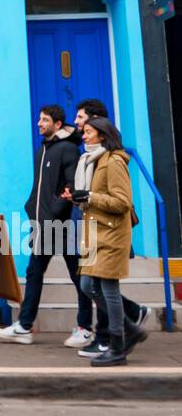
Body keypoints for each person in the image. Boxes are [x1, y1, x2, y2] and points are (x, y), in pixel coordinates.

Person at [0, 104, 82, 345]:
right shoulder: (42, 149)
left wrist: (56, 209)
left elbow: (73, 186)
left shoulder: (69, 149)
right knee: (34, 272)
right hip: (43, 224)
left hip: (63, 225)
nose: (39, 123)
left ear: (57, 124)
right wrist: (32, 207)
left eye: (44, 120)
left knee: (80, 276)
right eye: (39, 119)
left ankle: (92, 324)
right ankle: (24, 325)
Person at [64, 98, 146, 356]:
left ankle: (119, 341)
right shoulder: (90, 161)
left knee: (108, 288)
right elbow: (92, 196)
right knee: (87, 286)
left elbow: (122, 202)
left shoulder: (113, 161)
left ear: (102, 136)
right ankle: (129, 327)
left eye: (88, 132)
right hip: (91, 233)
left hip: (109, 233)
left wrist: (88, 197)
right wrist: (77, 197)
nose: (83, 135)